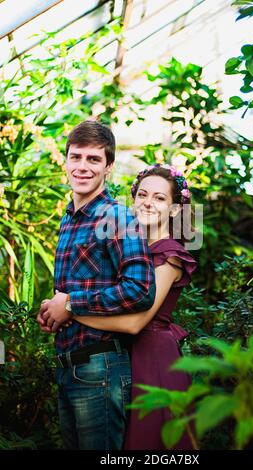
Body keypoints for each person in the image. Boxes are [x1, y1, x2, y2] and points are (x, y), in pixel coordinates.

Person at [37, 119, 156, 450]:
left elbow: (141, 290)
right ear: (65, 161)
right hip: (68, 365)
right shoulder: (69, 219)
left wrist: (72, 304)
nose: (82, 167)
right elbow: (75, 287)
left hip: (100, 368)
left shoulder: (117, 217)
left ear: (109, 167)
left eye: (93, 159)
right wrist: (53, 310)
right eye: (76, 157)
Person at [67, 163, 198, 450]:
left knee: (149, 442)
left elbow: (135, 322)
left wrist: (70, 310)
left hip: (153, 359)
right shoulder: (128, 246)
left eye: (160, 198)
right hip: (119, 356)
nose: (148, 203)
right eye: (142, 195)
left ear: (175, 209)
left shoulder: (170, 255)